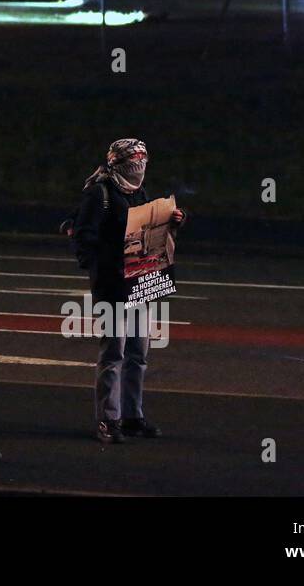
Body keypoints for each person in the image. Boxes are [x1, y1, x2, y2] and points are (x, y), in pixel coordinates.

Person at [71, 138, 184, 444]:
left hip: (140, 281)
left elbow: (147, 227)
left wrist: (170, 221)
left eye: (142, 164)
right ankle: (109, 418)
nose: (139, 170)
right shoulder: (101, 193)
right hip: (113, 284)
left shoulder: (138, 193)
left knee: (138, 352)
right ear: (119, 164)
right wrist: (108, 263)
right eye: (134, 164)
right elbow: (84, 237)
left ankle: (132, 415)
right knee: (113, 352)